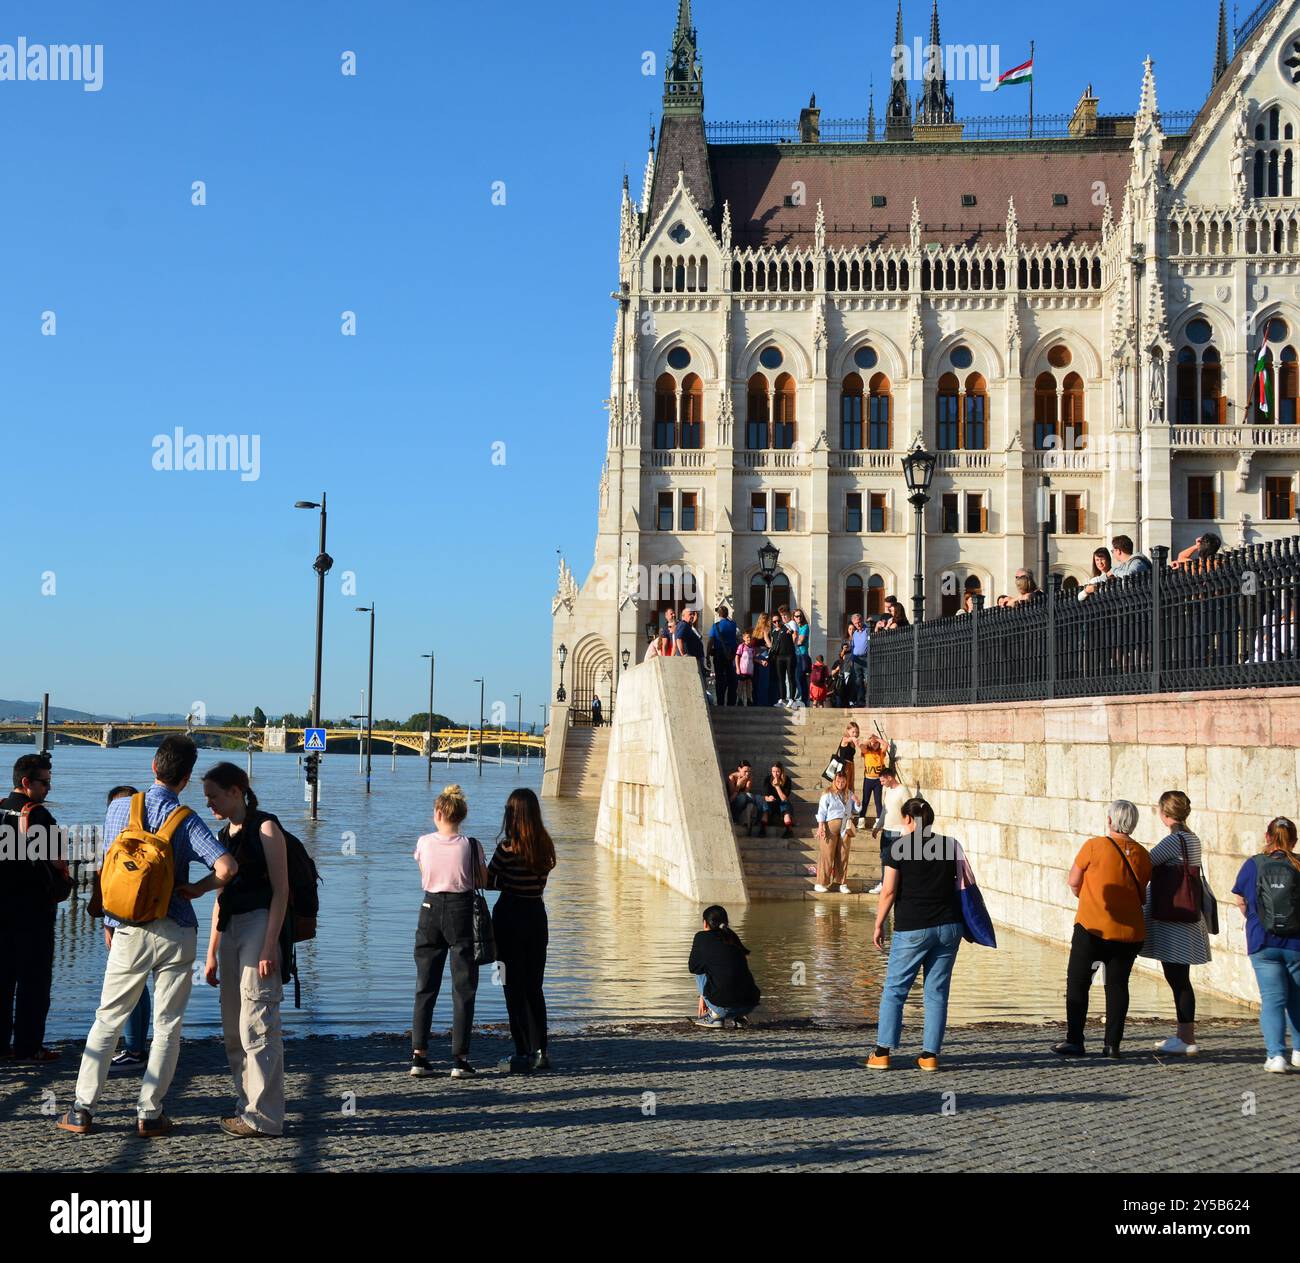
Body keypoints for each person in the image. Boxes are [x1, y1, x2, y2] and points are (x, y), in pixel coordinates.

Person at [58, 735, 236, 1137]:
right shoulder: (187, 819)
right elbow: (227, 867)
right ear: (186, 778)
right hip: (176, 929)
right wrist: (198, 889)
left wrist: (109, 920)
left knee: (108, 1018)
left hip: (129, 929)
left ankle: (82, 1110)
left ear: (154, 767)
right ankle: (149, 1114)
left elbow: (110, 866)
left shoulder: (120, 807)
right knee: (168, 1024)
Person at [201, 762, 289, 1138]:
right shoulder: (224, 834)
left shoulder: (266, 827)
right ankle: (246, 1105)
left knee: (258, 1022)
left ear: (236, 791)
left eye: (214, 796)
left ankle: (265, 1117)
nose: (210, 804)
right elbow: (221, 898)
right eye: (206, 798)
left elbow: (282, 891)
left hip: (259, 926)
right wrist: (211, 952)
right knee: (235, 1027)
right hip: (232, 928)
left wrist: (270, 945)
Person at [867, 798, 964, 1072]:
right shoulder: (950, 845)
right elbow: (961, 885)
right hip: (949, 927)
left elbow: (888, 891)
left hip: (913, 928)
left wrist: (878, 924)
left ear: (910, 820)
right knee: (936, 992)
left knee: (896, 989)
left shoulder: (897, 848)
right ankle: (929, 1056)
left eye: (903, 819)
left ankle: (882, 1052)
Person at [1052, 801, 1153, 1058]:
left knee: (1079, 982)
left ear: (1110, 821)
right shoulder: (1143, 854)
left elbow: (1074, 882)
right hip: (1129, 932)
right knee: (1117, 985)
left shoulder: (1094, 846)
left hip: (1092, 927)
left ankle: (1075, 1040)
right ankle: (1112, 1045)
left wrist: (1088, 897)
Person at [411, 784, 487, 1079]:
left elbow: (425, 874)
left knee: (425, 986)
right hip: (462, 910)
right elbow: (481, 878)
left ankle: (419, 1056)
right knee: (463, 988)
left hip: (429, 909)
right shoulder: (471, 845)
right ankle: (460, 1059)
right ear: (460, 815)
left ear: (440, 813)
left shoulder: (424, 843)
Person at [1, 753, 71, 1063]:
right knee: (33, 983)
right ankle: (29, 1047)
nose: (49, 788)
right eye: (45, 782)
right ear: (27, 782)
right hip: (32, 912)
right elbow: (58, 861)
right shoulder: (37, 816)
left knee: (2, 980)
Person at [487, 788, 557, 1074]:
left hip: (507, 919)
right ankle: (541, 1050)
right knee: (534, 986)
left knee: (510, 987)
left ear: (512, 814)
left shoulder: (506, 848)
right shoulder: (545, 846)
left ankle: (521, 1049)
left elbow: (491, 881)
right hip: (536, 919)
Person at [1140, 790, 1211, 1057]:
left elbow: (1144, 863)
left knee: (1177, 978)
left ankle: (1186, 1038)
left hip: (1174, 920)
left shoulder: (1175, 841)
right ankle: (1184, 1035)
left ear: (1165, 814)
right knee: (1180, 978)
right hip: (1187, 918)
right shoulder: (1192, 839)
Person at [1231, 816, 1300, 1072]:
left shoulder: (1254, 864)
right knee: (1297, 998)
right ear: (1294, 840)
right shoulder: (1299, 865)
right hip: (1296, 943)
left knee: (1272, 998)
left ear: (1267, 836)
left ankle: (1276, 1055)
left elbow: (1241, 899)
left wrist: (1257, 920)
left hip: (1263, 941)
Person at [99, 785, 151, 1069]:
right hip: (151, 919)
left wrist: (108, 923)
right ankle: (138, 1046)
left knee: (127, 987)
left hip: (123, 919)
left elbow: (110, 883)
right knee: (140, 986)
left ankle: (133, 1049)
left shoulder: (118, 845)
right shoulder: (147, 839)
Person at [689, 905, 760, 1029]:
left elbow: (693, 967)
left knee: (700, 968)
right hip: (750, 1004)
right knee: (732, 967)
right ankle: (740, 1017)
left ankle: (715, 1016)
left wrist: (703, 996)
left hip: (722, 1006)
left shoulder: (701, 937)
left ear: (705, 923)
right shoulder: (732, 937)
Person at [815, 772, 860, 894]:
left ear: (846, 782)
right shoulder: (827, 793)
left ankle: (840, 883)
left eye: (843, 782)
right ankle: (821, 882)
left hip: (846, 826)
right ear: (834, 781)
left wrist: (857, 802)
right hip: (830, 826)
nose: (841, 784)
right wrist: (820, 826)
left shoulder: (849, 793)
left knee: (843, 855)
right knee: (827, 855)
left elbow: (856, 810)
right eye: (838, 781)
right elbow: (822, 811)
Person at [869, 767, 910, 894]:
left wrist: (906, 829)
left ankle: (898, 886)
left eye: (882, 781)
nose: (881, 784)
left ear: (890, 777)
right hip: (886, 831)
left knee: (898, 860)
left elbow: (909, 810)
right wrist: (877, 827)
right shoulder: (887, 790)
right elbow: (884, 812)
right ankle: (884, 883)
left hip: (898, 832)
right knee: (885, 858)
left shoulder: (903, 790)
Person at [709, 605, 739, 706]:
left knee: (720, 679)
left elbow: (710, 641)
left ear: (719, 614)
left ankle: (720, 702)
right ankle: (731, 702)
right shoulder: (733, 625)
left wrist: (707, 655)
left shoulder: (716, 626)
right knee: (731, 679)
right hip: (730, 655)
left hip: (719, 655)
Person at [769, 605, 797, 706]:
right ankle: (782, 698)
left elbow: (794, 634)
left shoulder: (790, 625)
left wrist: (792, 633)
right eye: (774, 622)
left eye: (778, 620)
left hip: (789, 655)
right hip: (779, 657)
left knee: (790, 677)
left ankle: (792, 699)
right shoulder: (774, 631)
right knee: (781, 678)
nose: (777, 622)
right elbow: (772, 644)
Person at [675, 606, 707, 692]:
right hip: (689, 660)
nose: (692, 616)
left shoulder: (688, 626)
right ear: (683, 616)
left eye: (693, 614)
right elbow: (679, 639)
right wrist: (683, 654)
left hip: (694, 659)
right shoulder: (683, 625)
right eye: (690, 614)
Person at [759, 763, 795, 838]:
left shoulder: (787, 780)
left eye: (777, 771)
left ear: (781, 771)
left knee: (785, 804)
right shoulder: (768, 779)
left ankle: (789, 830)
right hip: (771, 805)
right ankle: (762, 829)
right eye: (773, 771)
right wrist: (769, 798)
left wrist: (777, 786)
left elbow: (784, 798)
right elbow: (765, 796)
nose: (775, 774)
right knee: (765, 804)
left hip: (781, 804)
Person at [860, 733, 888, 826]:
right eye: (873, 743)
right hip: (868, 780)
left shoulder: (881, 752)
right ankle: (861, 819)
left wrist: (877, 739)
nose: (875, 744)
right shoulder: (866, 752)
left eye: (876, 743)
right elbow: (861, 745)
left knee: (878, 801)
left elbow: (886, 744)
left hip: (877, 781)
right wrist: (870, 740)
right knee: (865, 800)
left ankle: (878, 820)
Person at [727, 761, 760, 832]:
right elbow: (731, 798)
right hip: (732, 803)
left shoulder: (749, 777)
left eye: (749, 771)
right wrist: (738, 785)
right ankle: (735, 818)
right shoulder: (732, 777)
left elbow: (746, 792)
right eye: (745, 771)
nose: (747, 774)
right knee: (742, 797)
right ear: (739, 769)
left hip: (743, 802)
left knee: (751, 797)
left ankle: (749, 819)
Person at [847, 612, 871, 705]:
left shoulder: (867, 630)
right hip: (856, 659)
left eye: (859, 622)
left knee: (868, 679)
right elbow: (853, 646)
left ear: (862, 620)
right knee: (858, 680)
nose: (858, 624)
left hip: (866, 658)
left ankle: (869, 698)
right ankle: (860, 700)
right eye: (855, 623)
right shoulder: (855, 633)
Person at [831, 721, 860, 797]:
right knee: (842, 784)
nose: (855, 734)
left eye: (856, 732)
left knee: (850, 785)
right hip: (844, 766)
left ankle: (848, 802)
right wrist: (853, 739)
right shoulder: (845, 739)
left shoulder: (853, 742)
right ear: (848, 730)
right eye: (853, 732)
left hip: (851, 765)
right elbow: (849, 739)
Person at [751, 613, 772, 707]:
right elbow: (769, 645)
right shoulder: (757, 631)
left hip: (760, 656)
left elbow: (769, 645)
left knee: (761, 681)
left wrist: (765, 634)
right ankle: (759, 702)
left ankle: (760, 702)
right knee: (759, 681)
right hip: (758, 657)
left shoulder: (761, 631)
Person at [793, 607, 812, 704]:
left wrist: (791, 641)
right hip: (795, 655)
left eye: (800, 616)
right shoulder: (794, 628)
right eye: (796, 616)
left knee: (800, 677)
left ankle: (802, 699)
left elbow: (800, 641)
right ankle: (803, 699)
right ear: (794, 618)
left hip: (802, 655)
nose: (798, 618)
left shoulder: (805, 627)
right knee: (799, 677)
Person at [734, 629, 756, 706]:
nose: (749, 639)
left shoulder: (752, 648)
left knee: (749, 685)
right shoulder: (741, 646)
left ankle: (749, 699)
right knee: (741, 685)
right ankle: (740, 699)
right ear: (744, 638)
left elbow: (753, 659)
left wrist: (753, 670)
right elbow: (737, 657)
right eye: (747, 637)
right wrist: (737, 668)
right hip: (742, 670)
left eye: (750, 637)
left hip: (749, 670)